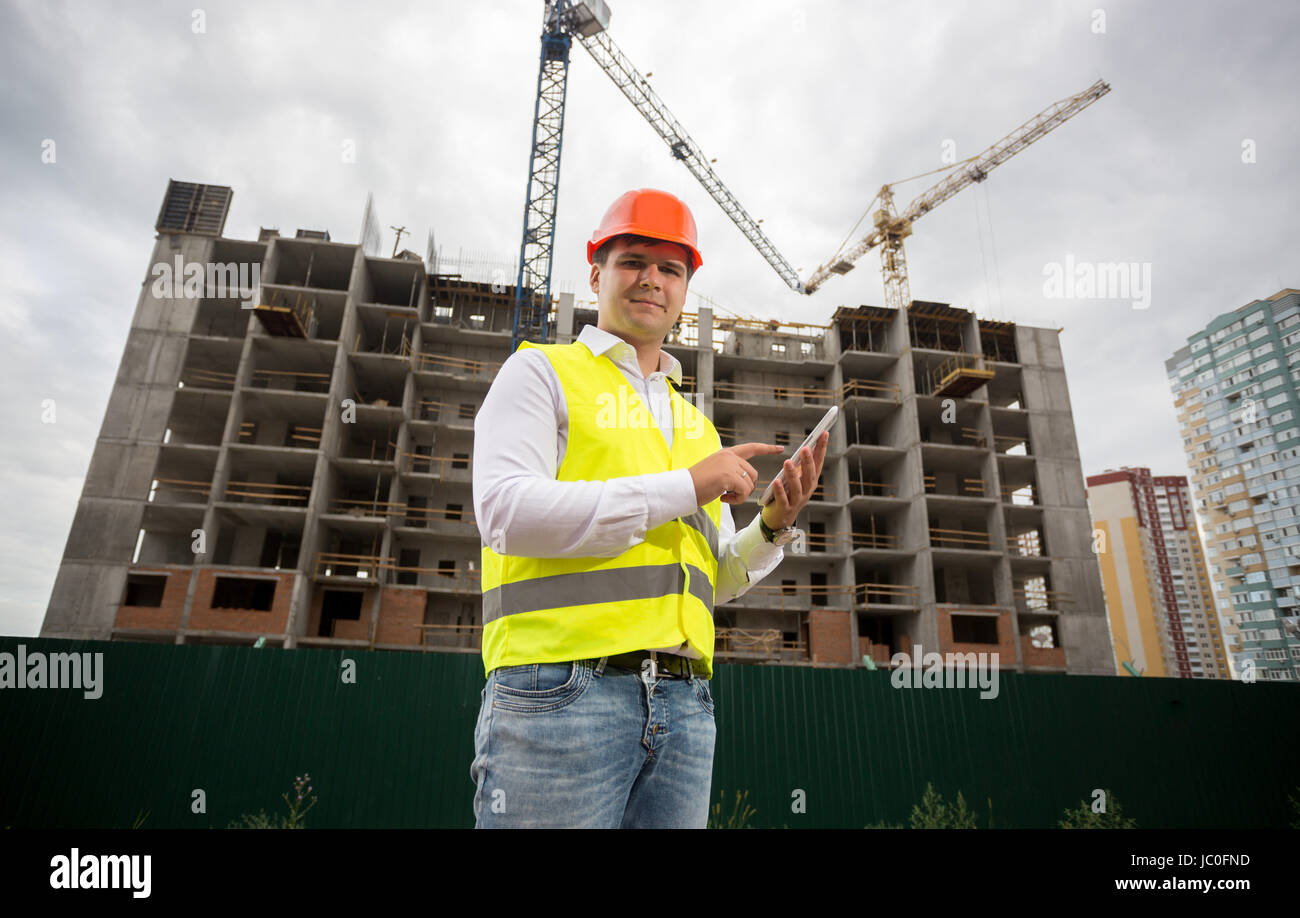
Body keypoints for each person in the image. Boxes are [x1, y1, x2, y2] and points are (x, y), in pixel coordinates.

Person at [468, 187, 828, 828]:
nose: (652, 280)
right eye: (634, 260)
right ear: (596, 272)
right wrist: (687, 486)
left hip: (685, 706)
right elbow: (504, 512)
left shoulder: (696, 429)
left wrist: (773, 524)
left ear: (686, 290)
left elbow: (713, 577)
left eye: (671, 269)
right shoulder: (541, 374)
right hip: (559, 694)